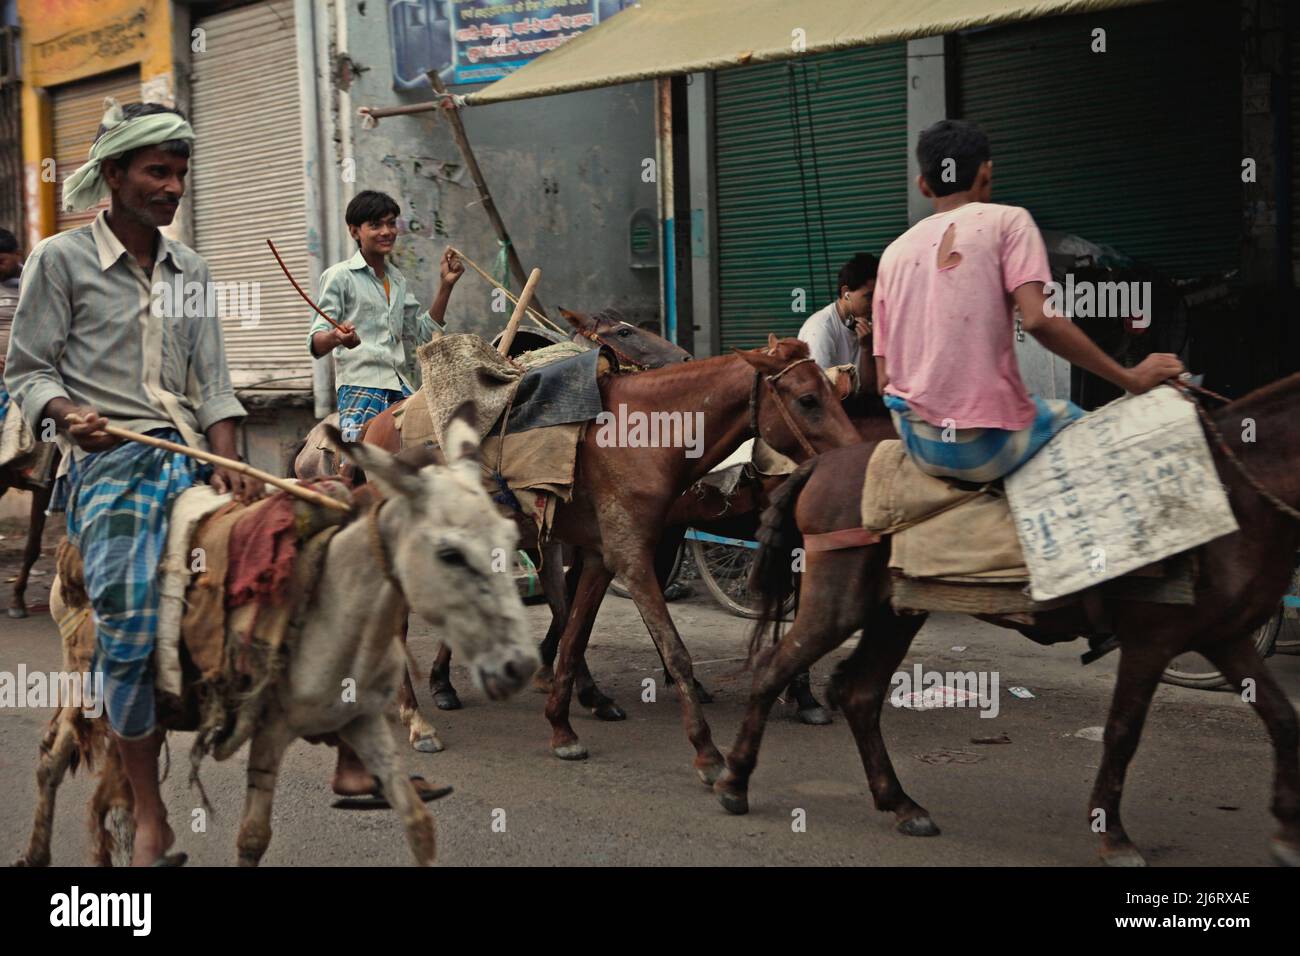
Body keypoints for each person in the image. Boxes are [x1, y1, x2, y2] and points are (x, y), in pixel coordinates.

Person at [4, 99, 259, 866]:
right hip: (111, 464)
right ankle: (151, 814)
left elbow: (214, 386)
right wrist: (68, 412)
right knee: (125, 612)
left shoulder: (194, 270)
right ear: (113, 175)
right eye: (157, 170)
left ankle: (348, 749)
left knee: (299, 559)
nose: (173, 186)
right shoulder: (60, 260)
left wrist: (229, 466)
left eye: (180, 172)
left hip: (192, 458)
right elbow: (27, 371)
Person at [871, 119, 1184, 483]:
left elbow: (884, 378)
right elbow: (1039, 319)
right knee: (1085, 424)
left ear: (923, 185)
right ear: (986, 174)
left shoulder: (892, 254)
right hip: (982, 447)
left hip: (916, 441)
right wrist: (1129, 378)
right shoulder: (1010, 221)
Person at [307, 190, 463, 441]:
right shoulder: (339, 276)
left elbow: (422, 333)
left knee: (430, 448)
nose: (386, 231)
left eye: (391, 223)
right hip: (359, 386)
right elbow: (316, 342)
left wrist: (446, 285)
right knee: (354, 463)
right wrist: (337, 337)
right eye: (375, 225)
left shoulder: (398, 281)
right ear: (355, 231)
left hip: (399, 386)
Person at [797, 251, 878, 397]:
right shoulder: (821, 328)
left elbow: (869, 389)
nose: (874, 304)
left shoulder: (866, 325)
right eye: (868, 297)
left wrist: (866, 349)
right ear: (846, 292)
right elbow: (822, 392)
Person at [0, 227, 22, 427]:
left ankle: (52, 456)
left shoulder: (37, 279)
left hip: (33, 372)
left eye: (1, 261)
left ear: (17, 254)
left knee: (47, 426)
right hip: (1, 379)